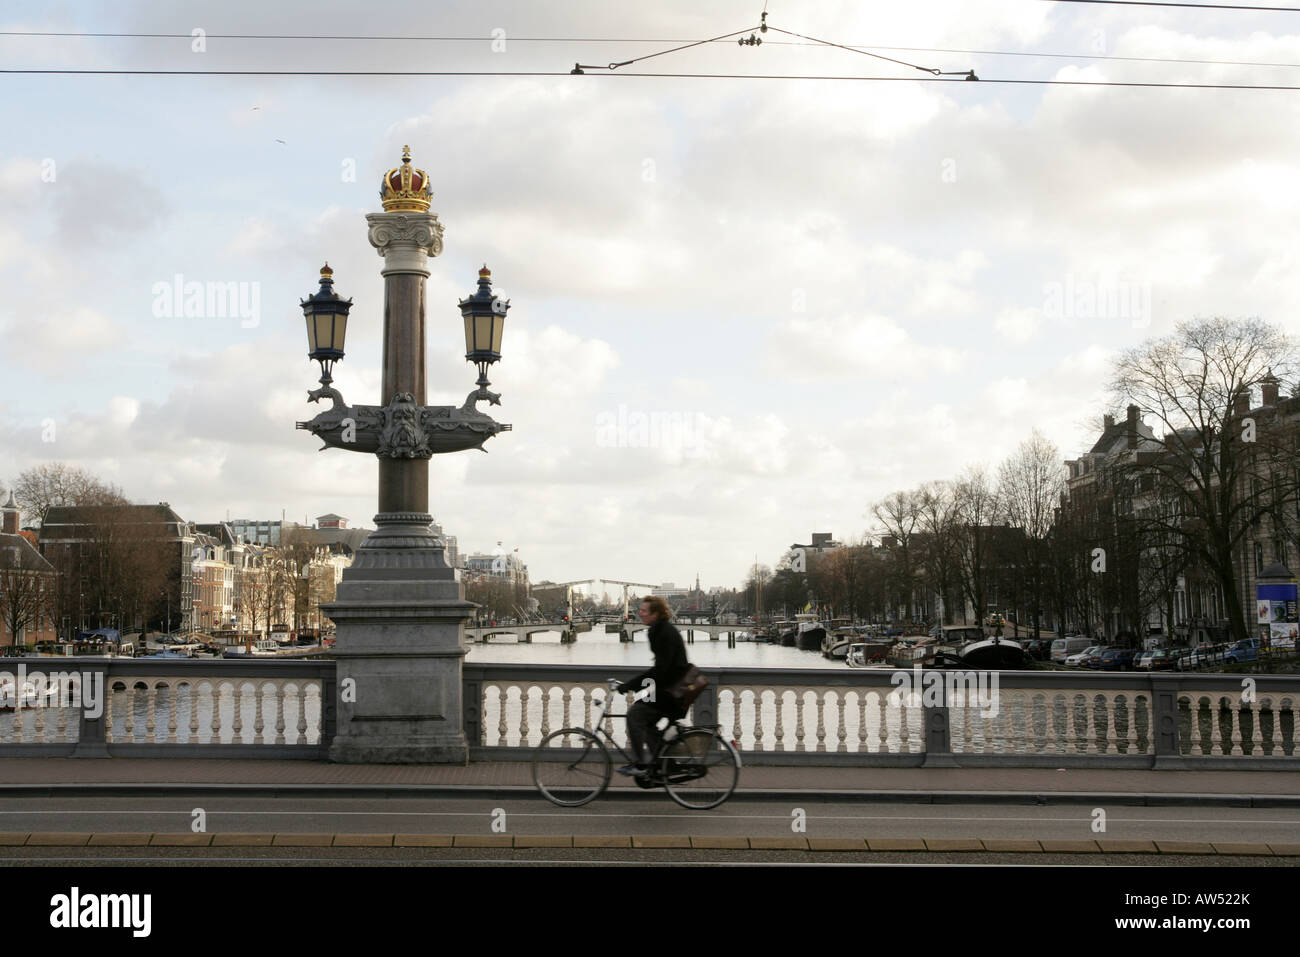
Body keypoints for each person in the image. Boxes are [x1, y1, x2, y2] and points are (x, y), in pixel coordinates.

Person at [616, 596, 690, 779]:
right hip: (679, 687)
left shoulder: (660, 632)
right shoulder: (663, 629)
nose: (640, 614)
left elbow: (660, 670)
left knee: (635, 715)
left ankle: (641, 764)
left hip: (674, 690)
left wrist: (631, 685)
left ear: (655, 614)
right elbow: (662, 670)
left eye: (644, 611)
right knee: (648, 723)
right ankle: (664, 764)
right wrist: (642, 687)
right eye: (640, 610)